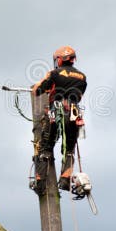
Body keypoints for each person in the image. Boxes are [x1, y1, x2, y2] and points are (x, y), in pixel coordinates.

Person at [31, 45, 87, 195]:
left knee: (45, 147)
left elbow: (37, 90)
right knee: (69, 149)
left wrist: (45, 88)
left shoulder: (54, 73)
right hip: (74, 114)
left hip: (55, 113)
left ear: (59, 60)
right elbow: (79, 95)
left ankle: (40, 182)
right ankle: (65, 179)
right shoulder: (82, 77)